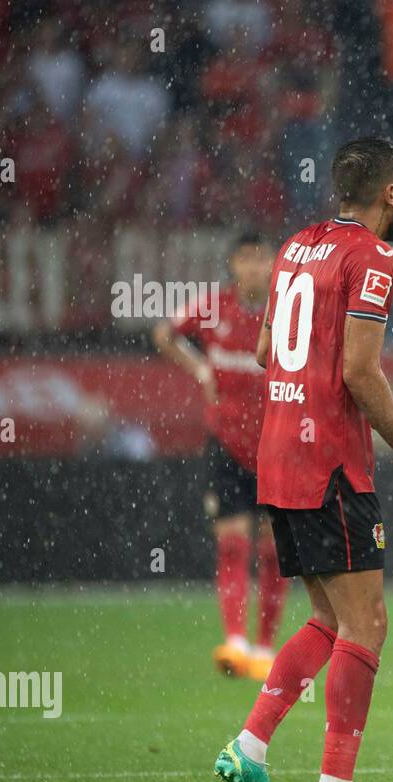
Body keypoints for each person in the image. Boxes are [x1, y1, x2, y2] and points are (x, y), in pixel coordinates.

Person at [214, 138, 393, 782]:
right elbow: (359, 370)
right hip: (329, 464)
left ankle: (251, 747)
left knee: (330, 619)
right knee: (369, 622)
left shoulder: (295, 246)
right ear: (389, 194)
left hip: (278, 456)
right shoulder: (374, 255)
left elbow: (265, 351)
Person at [153, 232, 289, 682]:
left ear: (273, 263)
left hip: (277, 443)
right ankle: (235, 642)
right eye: (246, 259)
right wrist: (199, 370)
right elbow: (164, 333)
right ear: (232, 263)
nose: (254, 267)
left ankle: (266, 649)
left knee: (274, 549)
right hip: (227, 443)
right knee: (233, 543)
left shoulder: (286, 309)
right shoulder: (212, 307)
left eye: (261, 257)